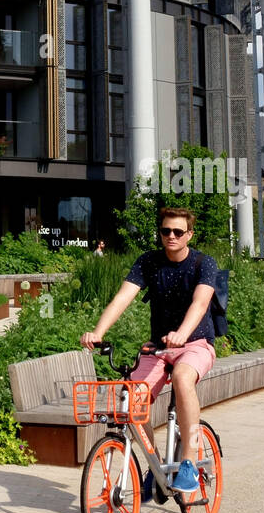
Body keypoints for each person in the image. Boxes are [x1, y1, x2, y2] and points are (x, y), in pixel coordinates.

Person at [79, 206, 218, 495]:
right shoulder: (149, 262)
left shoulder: (204, 263)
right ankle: (154, 466)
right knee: (132, 399)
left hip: (196, 343)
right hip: (158, 349)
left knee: (182, 378)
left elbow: (200, 304)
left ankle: (190, 462)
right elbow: (122, 299)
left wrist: (182, 333)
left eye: (178, 232)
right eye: (166, 230)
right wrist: (98, 332)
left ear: (189, 235)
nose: (171, 236)